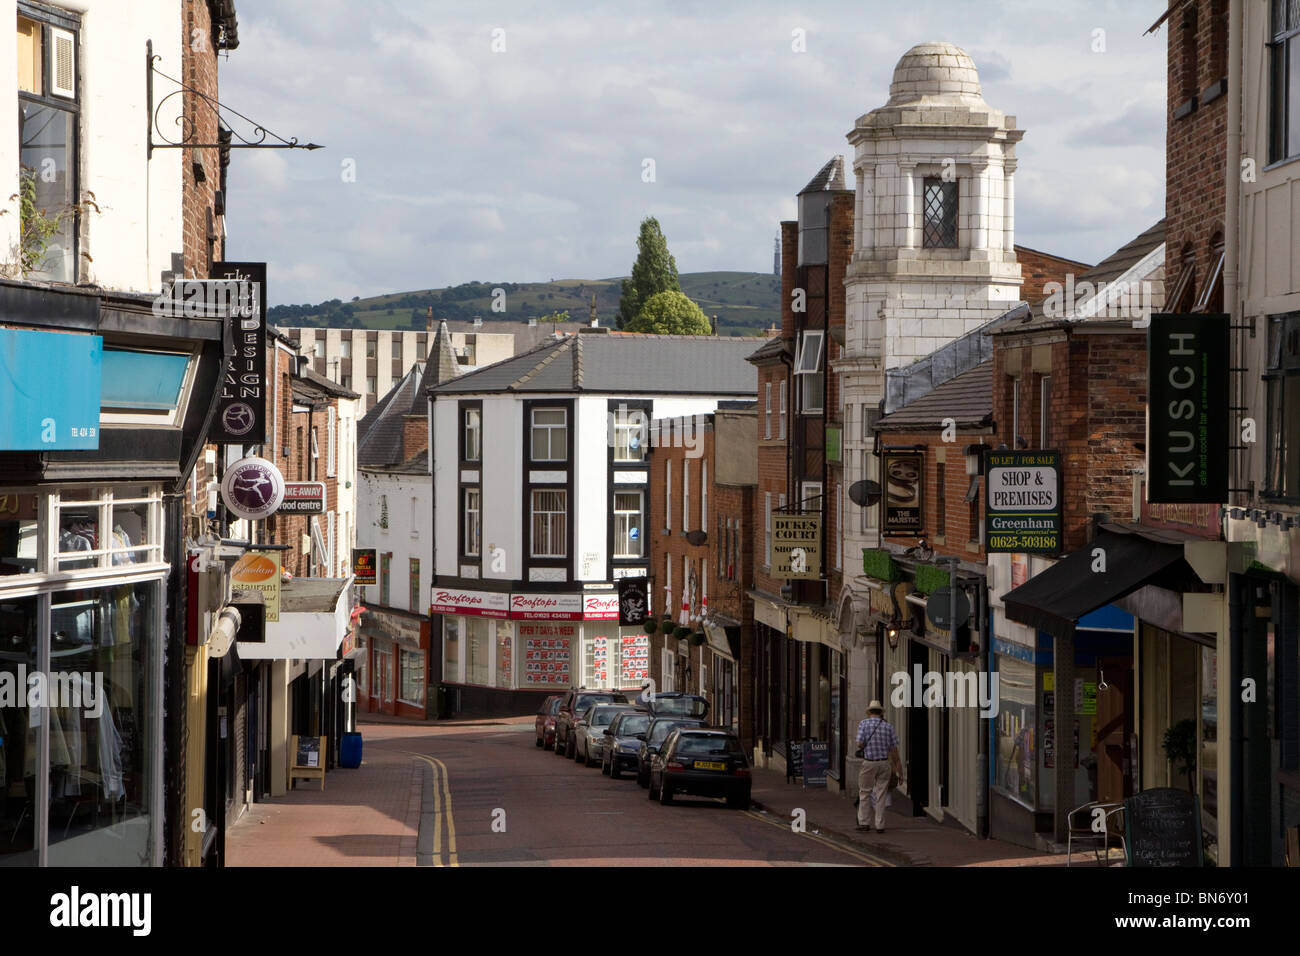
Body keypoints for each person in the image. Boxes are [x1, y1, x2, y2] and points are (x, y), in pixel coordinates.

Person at [855, 700, 902, 833]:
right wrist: (899, 770)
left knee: (865, 792)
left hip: (869, 762)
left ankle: (864, 822)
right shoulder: (888, 726)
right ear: (881, 713)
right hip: (884, 763)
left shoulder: (864, 724)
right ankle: (880, 825)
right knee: (881, 794)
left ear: (869, 712)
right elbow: (894, 750)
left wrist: (865, 744)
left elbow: (859, 743)